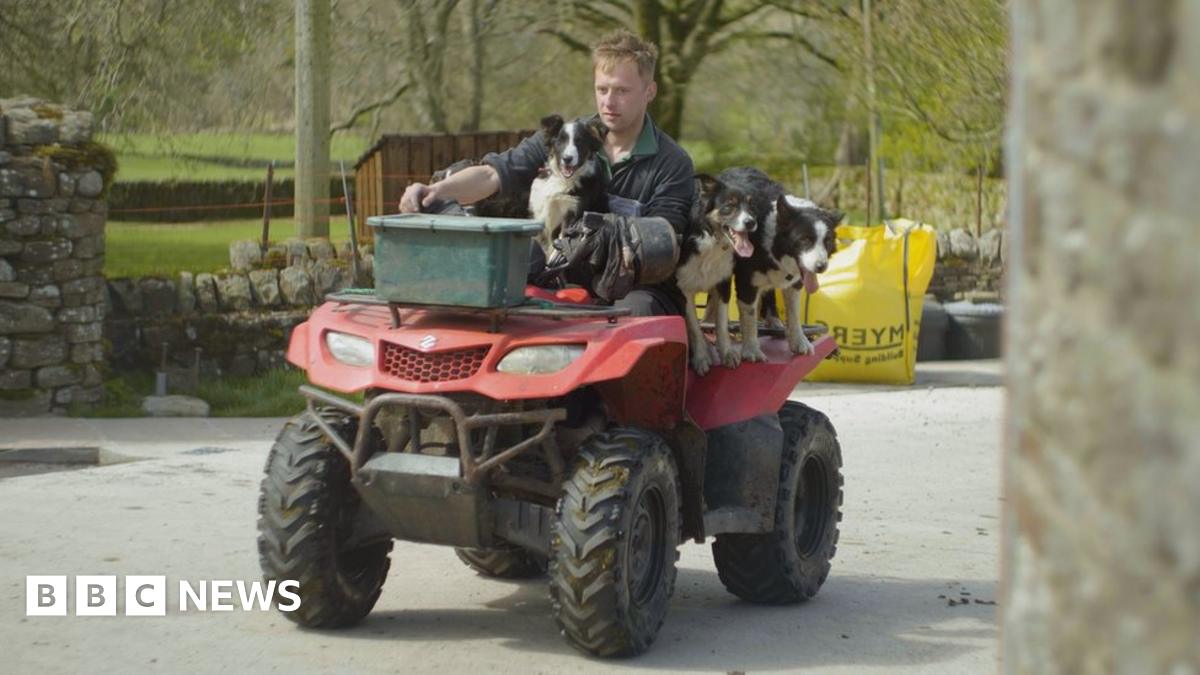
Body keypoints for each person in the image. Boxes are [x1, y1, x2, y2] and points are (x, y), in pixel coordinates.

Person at [398, 29, 696, 317]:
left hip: (635, 286)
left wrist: (606, 235)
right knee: (495, 296)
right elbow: (493, 175)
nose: (608, 101)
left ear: (649, 92)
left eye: (621, 91)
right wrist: (435, 191)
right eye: (602, 89)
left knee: (636, 313)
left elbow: (663, 244)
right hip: (557, 274)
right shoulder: (565, 138)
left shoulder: (673, 163)